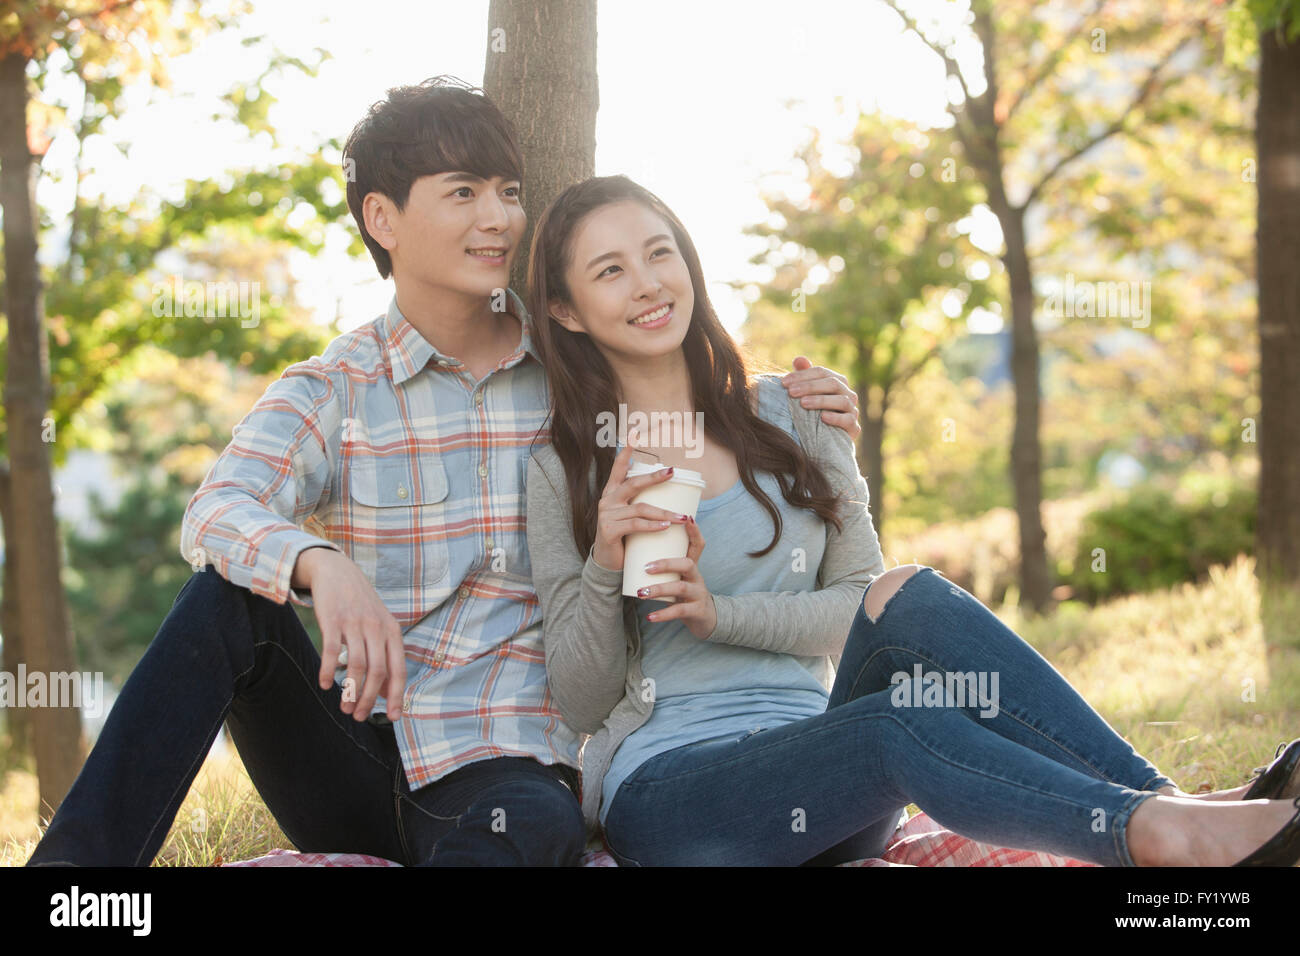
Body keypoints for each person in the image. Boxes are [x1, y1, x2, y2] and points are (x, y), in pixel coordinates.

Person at [25, 78, 861, 868]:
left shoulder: (576, 366)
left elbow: (687, 368)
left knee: (532, 824)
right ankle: (70, 883)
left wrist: (794, 403)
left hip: (504, 764)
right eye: (463, 192)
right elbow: (214, 513)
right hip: (351, 750)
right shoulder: (335, 388)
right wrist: (319, 564)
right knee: (222, 601)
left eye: (507, 190)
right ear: (382, 218)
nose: (498, 217)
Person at [523, 173, 1300, 867]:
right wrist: (602, 562)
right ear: (567, 309)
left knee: (906, 593)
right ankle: (1152, 836)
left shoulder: (797, 414)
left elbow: (855, 609)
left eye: (660, 253)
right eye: (610, 271)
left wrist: (721, 614)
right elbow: (583, 702)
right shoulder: (567, 469)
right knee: (896, 719)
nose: (647, 283)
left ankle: (1170, 804)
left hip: (834, 771)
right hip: (678, 796)